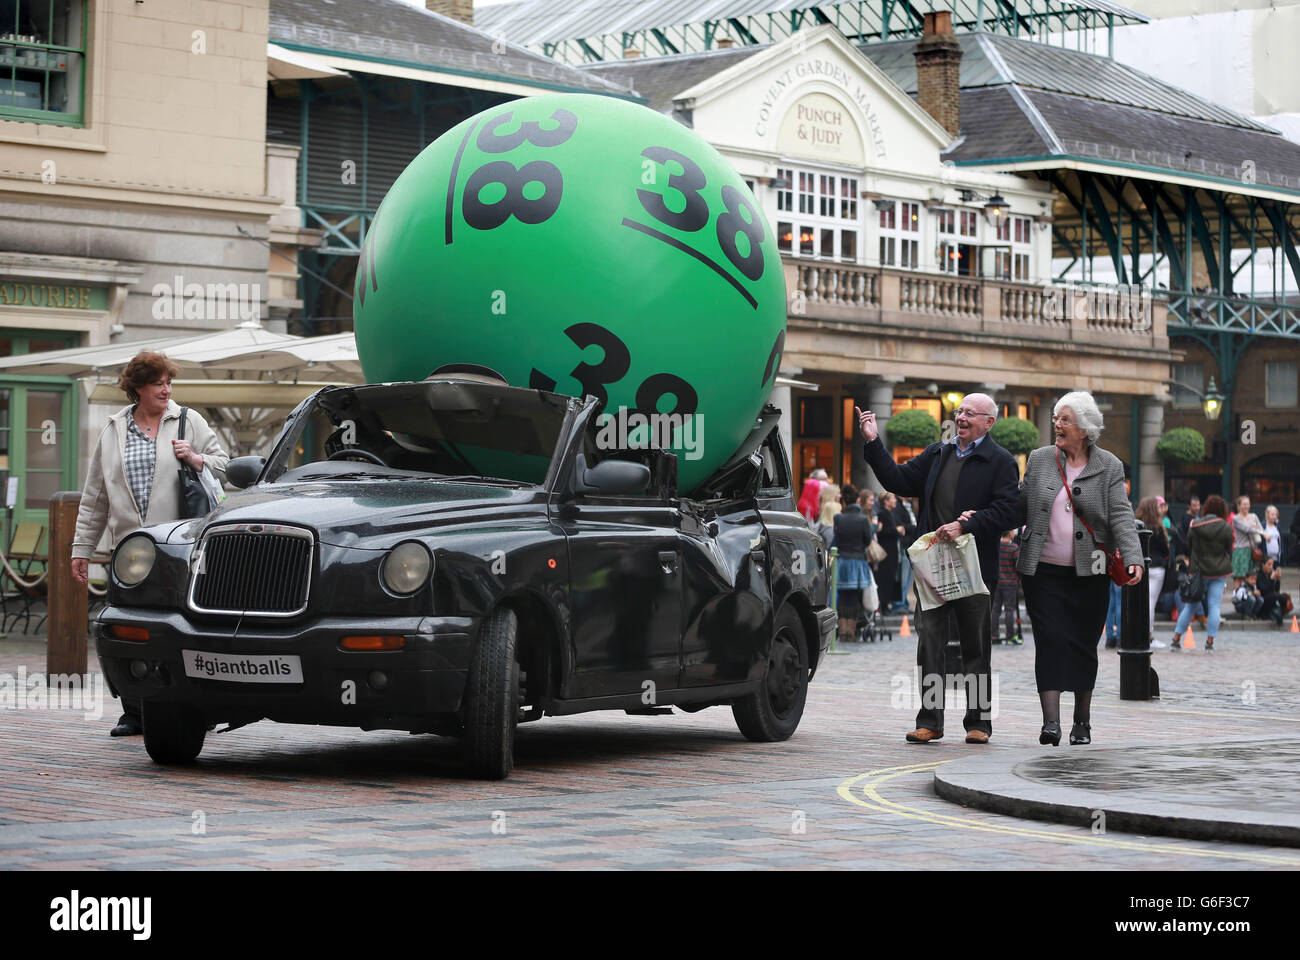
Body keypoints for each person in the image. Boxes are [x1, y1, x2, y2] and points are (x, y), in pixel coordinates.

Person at [71, 351, 230, 737]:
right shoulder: (113, 430)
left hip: (182, 548)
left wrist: (195, 457)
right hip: (129, 550)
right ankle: (135, 711)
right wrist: (81, 549)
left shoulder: (188, 420)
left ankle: (195, 707)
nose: (166, 389)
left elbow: (226, 464)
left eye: (168, 382)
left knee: (183, 628)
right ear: (137, 387)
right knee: (129, 625)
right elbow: (96, 496)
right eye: (158, 383)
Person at [858, 393, 1020, 744]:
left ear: (988, 422)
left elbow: (1011, 510)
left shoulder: (1001, 461)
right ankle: (930, 721)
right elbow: (898, 480)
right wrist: (873, 441)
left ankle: (979, 723)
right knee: (929, 644)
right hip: (933, 567)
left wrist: (970, 523)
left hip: (975, 567)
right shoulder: (938, 453)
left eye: (969, 414)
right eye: (958, 412)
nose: (960, 418)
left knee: (975, 648)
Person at [1017, 392, 1143, 747]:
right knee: (1050, 642)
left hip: (1092, 572)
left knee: (1084, 644)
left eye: (1065, 420)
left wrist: (1132, 555)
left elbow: (1120, 514)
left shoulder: (1109, 466)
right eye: (1056, 418)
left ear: (1084, 430)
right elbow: (1021, 505)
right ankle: (1051, 723)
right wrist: (980, 518)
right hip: (1042, 572)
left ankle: (1082, 722)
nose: (1057, 424)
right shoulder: (1040, 459)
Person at [1170, 494, 1233, 652]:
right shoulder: (1225, 526)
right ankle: (1210, 642)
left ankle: (1176, 638)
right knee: (1214, 607)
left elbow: (1190, 546)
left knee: (1191, 605)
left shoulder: (1195, 525)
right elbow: (1229, 548)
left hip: (1199, 571)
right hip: (1219, 571)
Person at [831, 484, 873, 642]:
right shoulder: (863, 519)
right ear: (856, 499)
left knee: (842, 597)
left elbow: (836, 540)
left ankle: (842, 632)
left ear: (844, 501)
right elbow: (868, 540)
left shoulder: (838, 518)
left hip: (842, 561)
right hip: (857, 561)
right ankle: (852, 632)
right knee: (855, 598)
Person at [1135, 497, 1170, 648]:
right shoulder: (1158, 528)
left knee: (1139, 602)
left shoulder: (1135, 525)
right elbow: (1165, 550)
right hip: (1156, 567)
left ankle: (1137, 634)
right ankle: (1148, 636)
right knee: (1150, 603)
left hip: (1138, 566)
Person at [874, 491, 903, 612]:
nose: (895, 500)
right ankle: (884, 604)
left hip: (891, 551)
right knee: (885, 577)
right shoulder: (882, 513)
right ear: (886, 501)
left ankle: (886, 603)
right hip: (886, 552)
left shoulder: (890, 513)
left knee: (890, 577)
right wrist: (897, 530)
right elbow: (882, 532)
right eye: (892, 499)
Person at [991, 530, 1020, 643]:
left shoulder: (996, 546)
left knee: (995, 610)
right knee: (1009, 610)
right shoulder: (1014, 548)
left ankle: (994, 635)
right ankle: (1010, 636)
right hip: (1011, 583)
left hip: (997, 582)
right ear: (1009, 533)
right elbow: (1018, 567)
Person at [1230, 495, 1264, 586]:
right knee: (1239, 577)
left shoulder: (1254, 516)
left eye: (1248, 504)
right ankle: (1237, 598)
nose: (1246, 506)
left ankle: (1249, 598)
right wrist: (1254, 527)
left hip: (1252, 551)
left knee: (1251, 577)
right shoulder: (1236, 518)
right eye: (1244, 504)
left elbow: (1261, 528)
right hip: (1241, 551)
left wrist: (1255, 527)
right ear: (1239, 505)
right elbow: (1247, 529)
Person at [896, 497, 919, 613]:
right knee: (904, 578)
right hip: (904, 545)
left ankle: (904, 602)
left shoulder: (910, 506)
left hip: (912, 545)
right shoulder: (898, 506)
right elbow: (902, 526)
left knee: (910, 577)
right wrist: (912, 528)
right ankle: (900, 603)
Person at [1256, 556, 1291, 625]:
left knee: (1284, 596)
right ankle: (1265, 614)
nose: (1271, 567)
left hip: (1271, 598)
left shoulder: (1270, 574)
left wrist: (1277, 580)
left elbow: (1276, 590)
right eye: (1269, 564)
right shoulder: (1259, 575)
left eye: (1272, 565)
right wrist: (1271, 579)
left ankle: (1280, 612)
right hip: (1261, 601)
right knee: (1274, 595)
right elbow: (1264, 590)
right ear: (1263, 564)